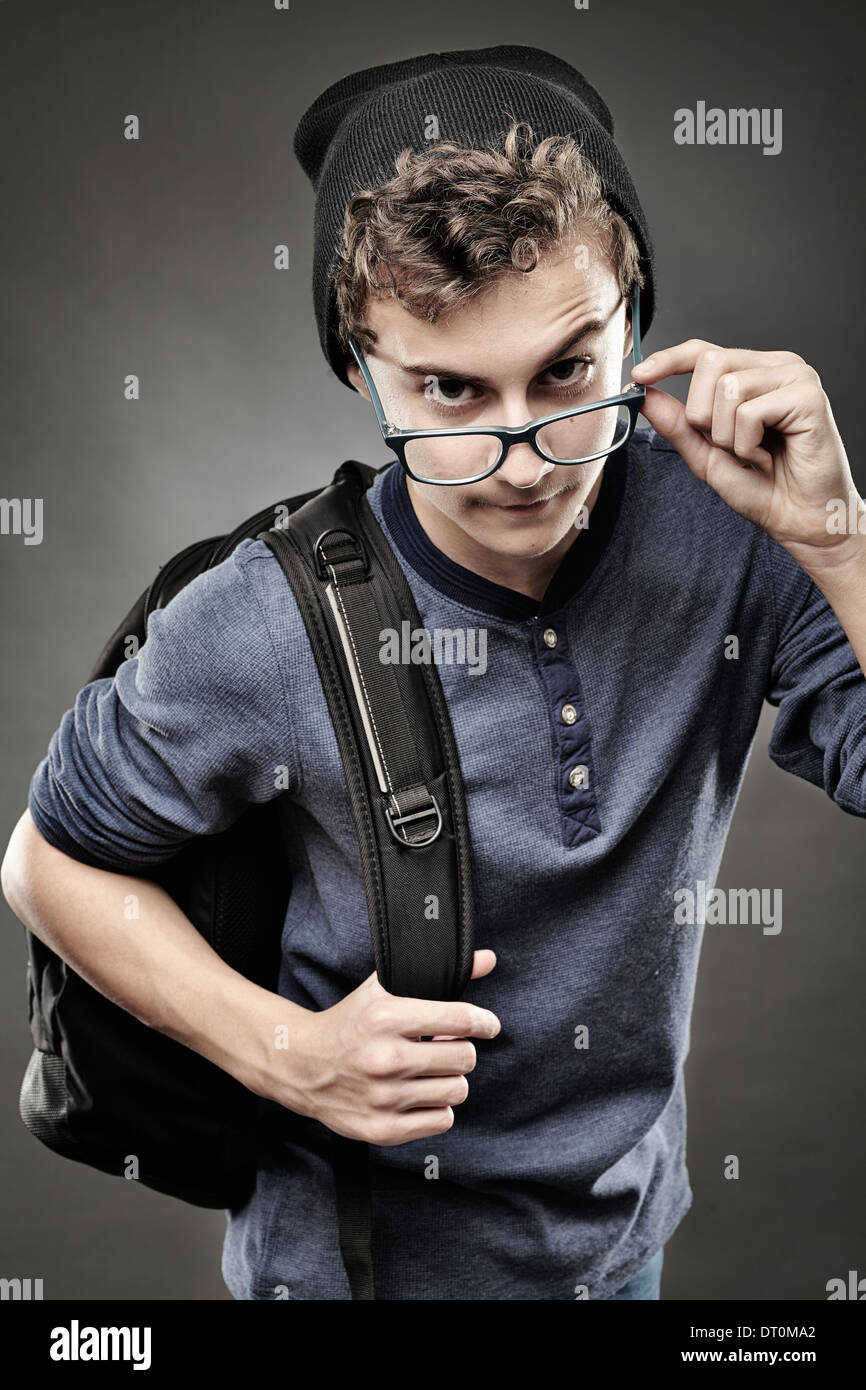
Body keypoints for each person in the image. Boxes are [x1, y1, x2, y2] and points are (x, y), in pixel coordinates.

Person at [3, 45, 865, 1302]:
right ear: (360, 369)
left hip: (623, 1254)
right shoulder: (259, 620)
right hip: (354, 1276)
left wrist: (839, 540)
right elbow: (42, 859)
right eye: (450, 392)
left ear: (634, 309)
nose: (521, 459)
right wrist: (290, 1054)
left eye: (567, 371)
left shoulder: (739, 528)